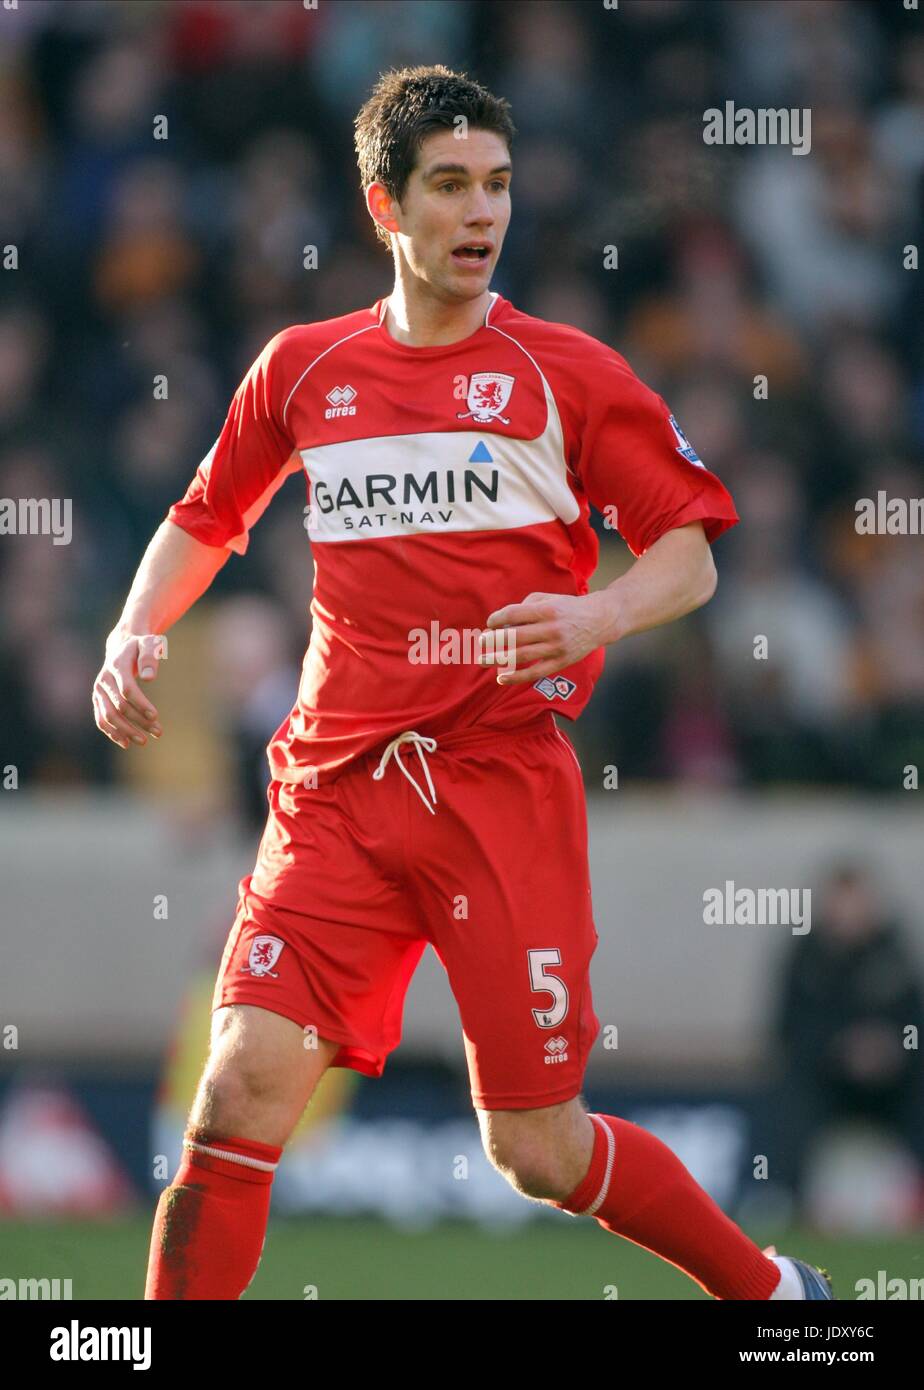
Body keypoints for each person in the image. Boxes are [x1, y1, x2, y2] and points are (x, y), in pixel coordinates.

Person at [92, 65, 832, 1301]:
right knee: (235, 1088)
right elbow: (205, 517)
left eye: (495, 185)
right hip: (332, 788)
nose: (481, 213)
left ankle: (771, 1297)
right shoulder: (305, 369)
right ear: (386, 206)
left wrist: (598, 609)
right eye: (449, 186)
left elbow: (690, 553)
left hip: (498, 792)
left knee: (534, 1146)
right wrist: (132, 632)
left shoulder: (567, 374)